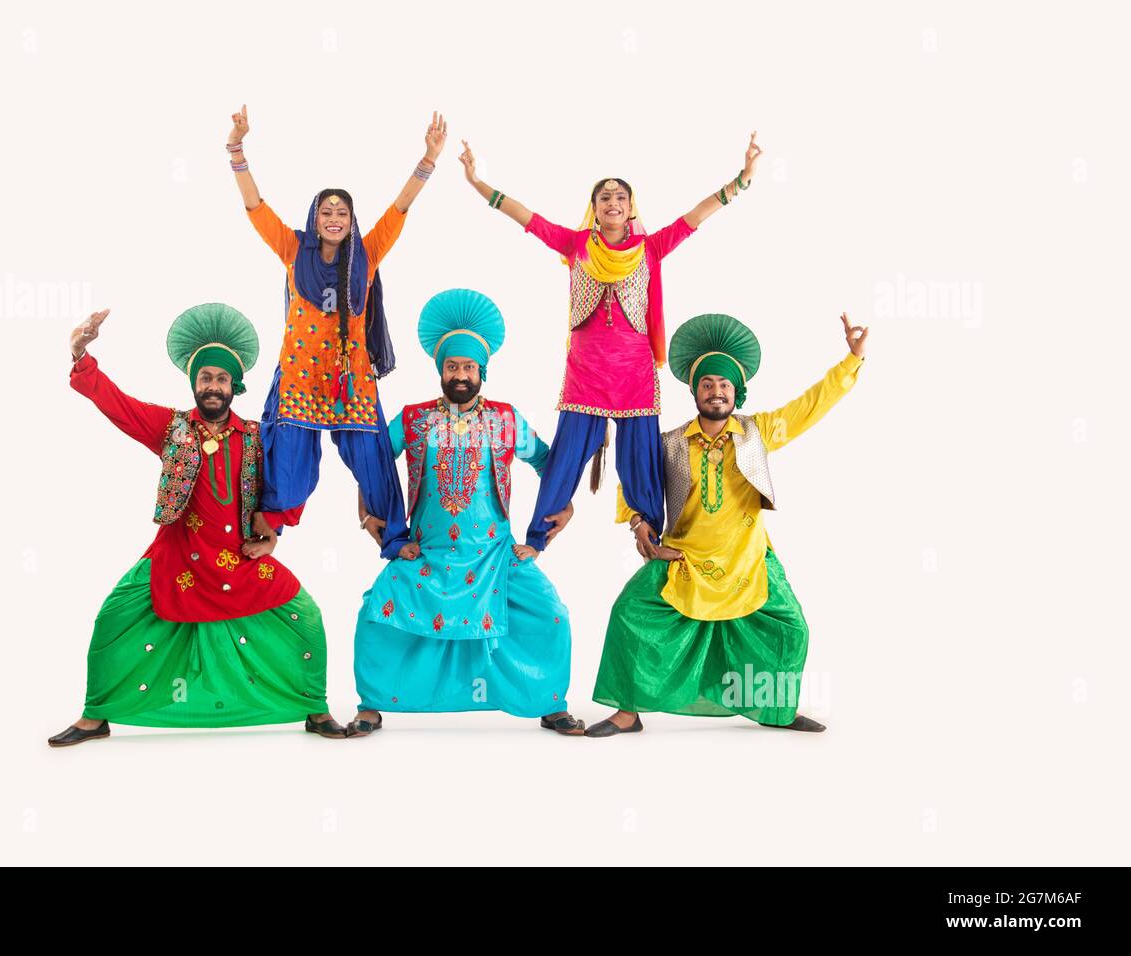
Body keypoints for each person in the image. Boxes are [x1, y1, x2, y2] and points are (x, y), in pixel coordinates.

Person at [48, 303, 347, 746]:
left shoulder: (256, 436)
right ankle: (96, 716)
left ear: (234, 386)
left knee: (306, 618)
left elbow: (292, 480)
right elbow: (119, 405)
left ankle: (314, 708)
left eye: (221, 379)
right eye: (205, 378)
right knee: (113, 618)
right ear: (195, 384)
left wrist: (272, 534)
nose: (213, 386)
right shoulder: (170, 428)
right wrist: (81, 357)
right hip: (175, 556)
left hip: (238, 559)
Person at [458, 134, 764, 552]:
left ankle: (651, 540)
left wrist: (741, 179)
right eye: (605, 197)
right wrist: (478, 182)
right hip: (586, 373)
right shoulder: (575, 244)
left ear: (630, 207)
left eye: (621, 196)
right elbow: (527, 218)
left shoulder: (649, 248)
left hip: (634, 374)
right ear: (595, 208)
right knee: (566, 458)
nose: (613, 202)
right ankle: (535, 542)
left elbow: (695, 217)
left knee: (641, 463)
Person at [587, 311, 869, 737]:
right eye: (707, 384)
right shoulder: (669, 443)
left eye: (723, 385)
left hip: (749, 559)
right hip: (684, 558)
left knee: (791, 627)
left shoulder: (759, 431)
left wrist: (851, 360)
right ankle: (628, 712)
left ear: (736, 391)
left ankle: (777, 709)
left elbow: (811, 405)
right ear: (695, 392)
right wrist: (638, 525)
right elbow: (634, 482)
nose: (715, 391)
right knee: (629, 613)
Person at [346, 289, 583, 737]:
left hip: (495, 556)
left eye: (468, 367)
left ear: (482, 372)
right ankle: (372, 706)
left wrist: (562, 507)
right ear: (441, 371)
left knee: (552, 616)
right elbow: (372, 464)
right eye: (452, 366)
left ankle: (549, 704)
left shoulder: (507, 419)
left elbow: (551, 464)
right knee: (375, 615)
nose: (460, 375)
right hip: (427, 553)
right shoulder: (414, 418)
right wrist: (367, 515)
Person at [227, 104, 448, 559]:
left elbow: (400, 208)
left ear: (351, 221)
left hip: (351, 381)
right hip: (301, 379)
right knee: (288, 473)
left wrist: (428, 160)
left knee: (374, 465)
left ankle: (394, 537)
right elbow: (255, 206)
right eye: (326, 210)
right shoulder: (293, 248)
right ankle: (268, 529)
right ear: (314, 218)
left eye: (342, 211)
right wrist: (237, 149)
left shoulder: (367, 254)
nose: (333, 217)